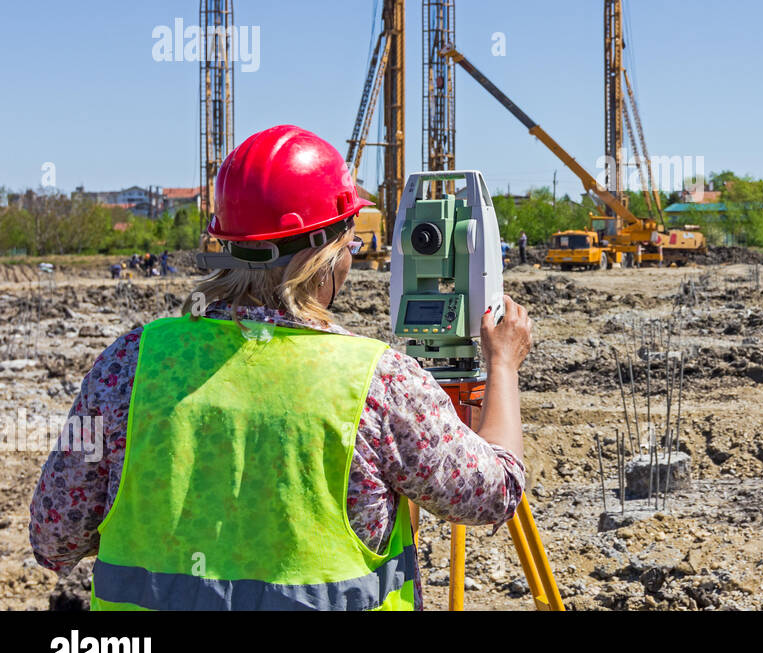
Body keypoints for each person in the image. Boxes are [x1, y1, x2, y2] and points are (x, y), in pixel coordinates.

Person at [29, 125, 531, 611]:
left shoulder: (129, 365)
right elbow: (494, 494)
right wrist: (502, 364)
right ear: (328, 253)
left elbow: (55, 536)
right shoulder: (380, 384)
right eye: (351, 245)